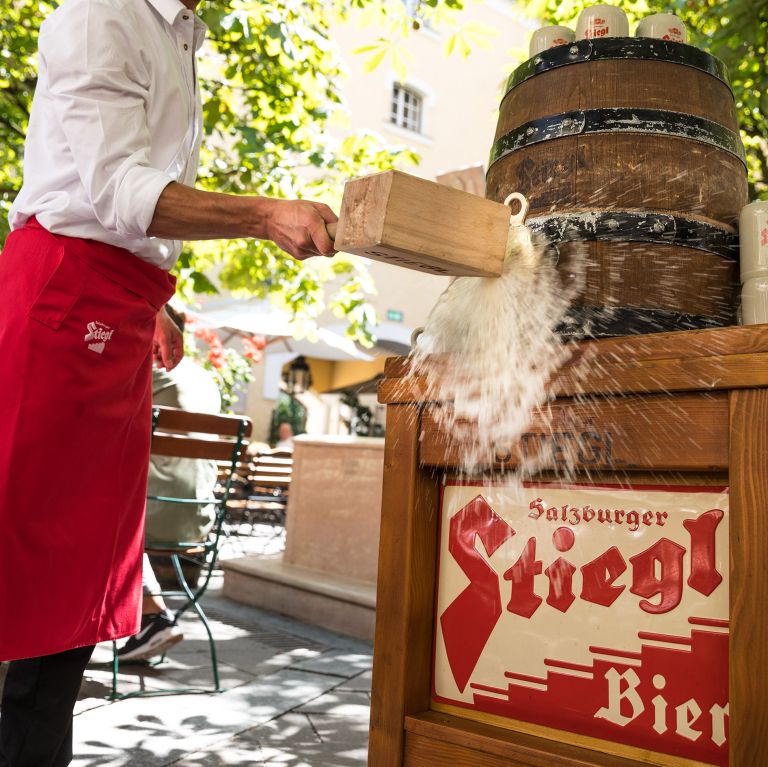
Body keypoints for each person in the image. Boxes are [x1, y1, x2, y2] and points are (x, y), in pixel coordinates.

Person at [0, 0, 337, 764]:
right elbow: (118, 188)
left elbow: (125, 203)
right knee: (16, 554)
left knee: (74, 592)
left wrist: (157, 299)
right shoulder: (99, 14)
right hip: (62, 303)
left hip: (119, 309)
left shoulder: (179, 30)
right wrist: (262, 214)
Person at [119, 308, 222, 662]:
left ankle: (151, 616)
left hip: (151, 515)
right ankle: (151, 618)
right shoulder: (207, 381)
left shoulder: (148, 373)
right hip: (200, 517)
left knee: (87, 511)